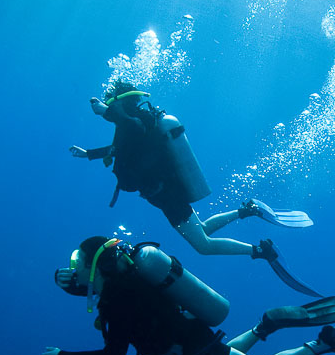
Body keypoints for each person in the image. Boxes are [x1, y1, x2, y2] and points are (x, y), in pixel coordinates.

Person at [42, 236, 335, 355]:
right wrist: (73, 284)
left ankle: (321, 342)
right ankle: (265, 326)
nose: (74, 270)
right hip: (193, 333)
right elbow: (105, 290)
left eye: (79, 265)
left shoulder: (115, 303)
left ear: (97, 269)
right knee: (223, 353)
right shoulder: (131, 279)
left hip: (193, 347)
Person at [69, 81, 317, 296]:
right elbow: (118, 149)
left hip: (166, 195)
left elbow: (131, 131)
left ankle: (261, 251)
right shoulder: (132, 124)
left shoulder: (133, 122)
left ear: (119, 104)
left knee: (203, 247)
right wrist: (88, 154)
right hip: (165, 194)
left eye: (112, 105)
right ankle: (246, 211)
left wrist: (106, 112)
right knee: (203, 229)